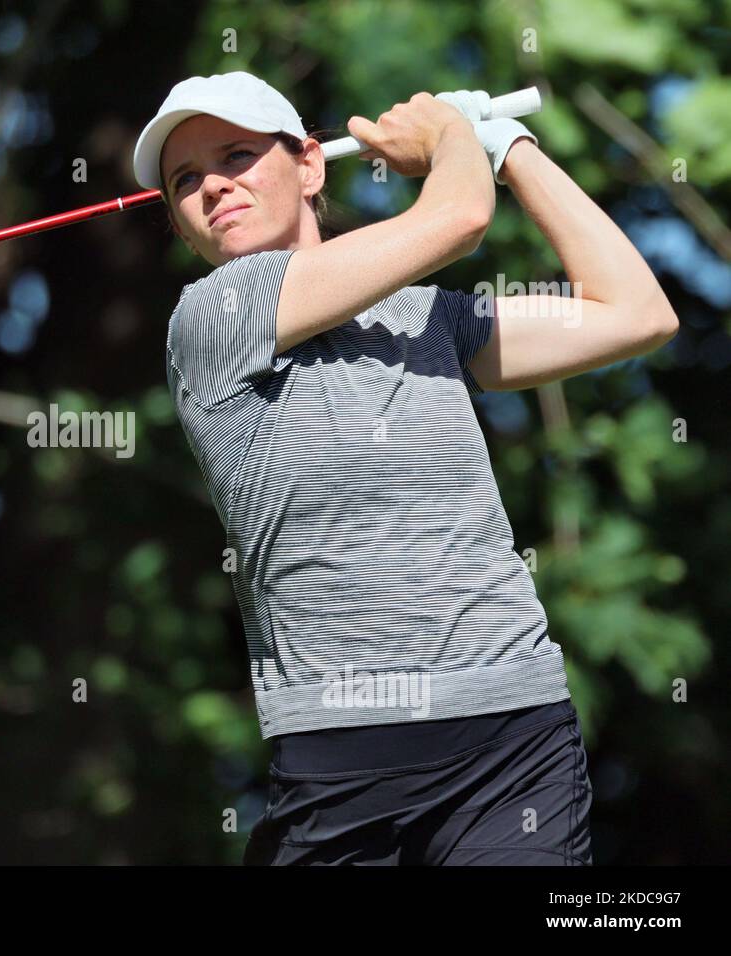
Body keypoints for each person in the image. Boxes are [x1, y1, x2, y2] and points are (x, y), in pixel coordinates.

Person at [132, 71, 679, 865]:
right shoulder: (211, 319)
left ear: (311, 166)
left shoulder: (429, 318)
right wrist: (453, 134)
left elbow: (636, 313)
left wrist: (510, 147)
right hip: (338, 763)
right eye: (187, 180)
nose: (215, 184)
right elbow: (457, 216)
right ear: (180, 221)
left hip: (512, 740)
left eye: (238, 155)